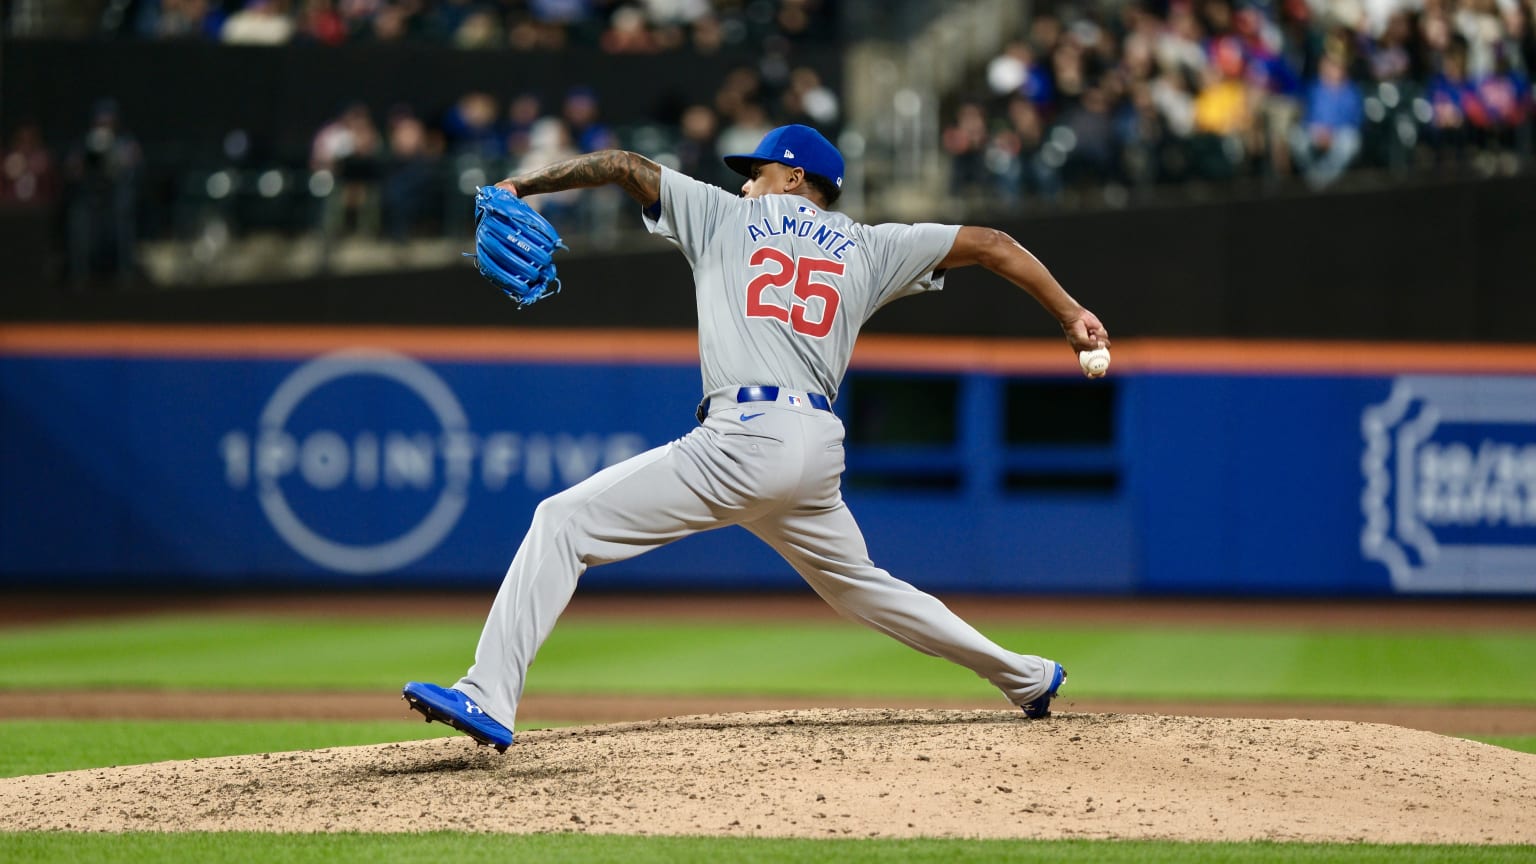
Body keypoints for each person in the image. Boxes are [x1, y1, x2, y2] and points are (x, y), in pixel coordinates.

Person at [403, 124, 1110, 752]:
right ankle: (1027, 677)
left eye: (758, 169)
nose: (744, 181)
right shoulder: (869, 245)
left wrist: (522, 183)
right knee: (864, 588)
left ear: (795, 177)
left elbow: (622, 163)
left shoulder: (720, 214)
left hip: (744, 438)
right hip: (815, 450)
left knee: (562, 521)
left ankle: (487, 694)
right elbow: (992, 244)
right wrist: (1070, 313)